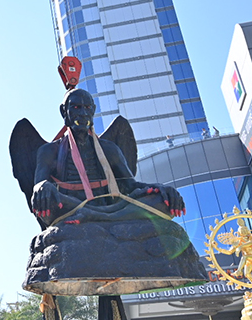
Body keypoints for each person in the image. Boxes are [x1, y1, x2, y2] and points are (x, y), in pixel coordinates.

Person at [30, 88, 185, 221]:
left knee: (160, 200)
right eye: (76, 107)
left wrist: (160, 188)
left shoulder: (109, 149)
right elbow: (38, 188)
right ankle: (106, 219)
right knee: (47, 201)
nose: (83, 113)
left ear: (93, 110)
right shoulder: (50, 151)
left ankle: (94, 217)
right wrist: (42, 186)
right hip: (70, 206)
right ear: (64, 111)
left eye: (87, 108)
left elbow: (130, 186)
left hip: (111, 207)